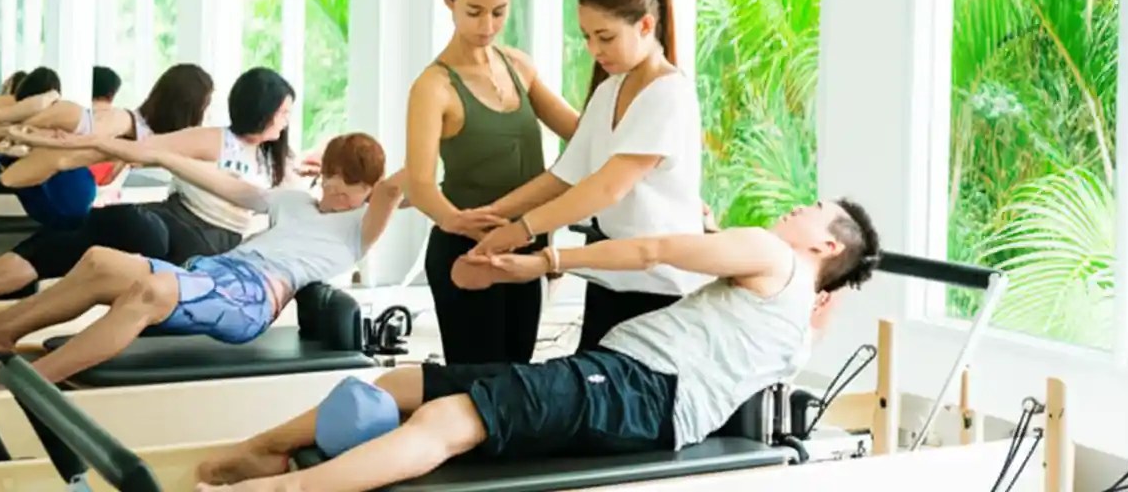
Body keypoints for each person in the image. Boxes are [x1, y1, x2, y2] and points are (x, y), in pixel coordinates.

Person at [191, 198, 881, 492]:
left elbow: (655, 249)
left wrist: (550, 261)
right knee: (406, 384)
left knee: (445, 419)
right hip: (628, 389)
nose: (796, 208)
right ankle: (260, 447)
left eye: (811, 210)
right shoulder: (796, 325)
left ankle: (291, 487)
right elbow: (788, 305)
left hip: (637, 390)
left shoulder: (770, 253)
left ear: (825, 244)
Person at [0, 131, 406, 385]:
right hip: (217, 270)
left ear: (368, 189)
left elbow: (394, 191)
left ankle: (24, 382)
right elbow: (228, 184)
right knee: (100, 261)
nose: (337, 197)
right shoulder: (293, 200)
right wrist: (161, 157)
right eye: (332, 185)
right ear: (324, 174)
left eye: (350, 192)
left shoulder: (360, 227)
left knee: (150, 291)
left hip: (253, 297)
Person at [461, 0, 709, 352]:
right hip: (613, 277)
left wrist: (520, 230)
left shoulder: (668, 94)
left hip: (660, 290)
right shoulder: (611, 90)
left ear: (646, 26)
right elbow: (564, 176)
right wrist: (493, 215)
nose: (595, 50)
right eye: (587, 37)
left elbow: (607, 188)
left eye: (605, 37)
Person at [404, 0, 579, 365]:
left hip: (524, 246)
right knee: (477, 389)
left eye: (498, 12)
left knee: (516, 384)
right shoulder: (433, 87)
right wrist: (452, 219)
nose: (487, 25)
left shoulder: (519, 66)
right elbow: (420, 183)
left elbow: (581, 133)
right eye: (474, 11)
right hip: (466, 251)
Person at [0, 67, 295, 300]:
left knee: (103, 232)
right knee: (58, 243)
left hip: (199, 241)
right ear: (260, 111)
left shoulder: (279, 161)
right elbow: (144, 150)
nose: (285, 121)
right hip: (170, 223)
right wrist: (64, 142)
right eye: (283, 112)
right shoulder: (215, 140)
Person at [0, 64, 215, 228]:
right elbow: (72, 144)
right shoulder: (123, 121)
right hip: (59, 189)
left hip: (59, 190)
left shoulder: (152, 136)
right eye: (204, 106)